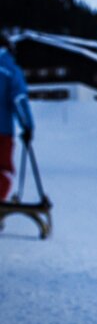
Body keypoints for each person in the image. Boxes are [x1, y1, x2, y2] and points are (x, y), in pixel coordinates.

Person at [0, 32, 35, 203]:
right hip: (2, 132)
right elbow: (19, 99)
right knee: (2, 170)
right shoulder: (9, 70)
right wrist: (27, 126)